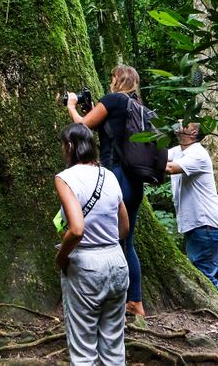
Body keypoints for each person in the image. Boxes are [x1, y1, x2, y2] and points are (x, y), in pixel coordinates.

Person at [65, 64, 146, 318]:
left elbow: (82, 127)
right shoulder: (136, 106)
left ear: (118, 80)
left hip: (116, 177)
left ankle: (107, 297)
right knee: (126, 240)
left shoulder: (113, 100)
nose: (110, 81)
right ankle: (135, 301)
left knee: (108, 239)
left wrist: (71, 105)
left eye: (112, 77)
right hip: (134, 180)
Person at [55, 123, 130, 366]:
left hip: (86, 265)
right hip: (116, 261)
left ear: (69, 146)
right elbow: (124, 227)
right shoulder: (107, 175)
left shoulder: (65, 178)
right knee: (113, 345)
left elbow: (77, 229)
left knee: (83, 348)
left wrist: (62, 257)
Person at [166, 121, 218, 296]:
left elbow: (169, 168)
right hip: (201, 225)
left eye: (184, 122)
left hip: (206, 225)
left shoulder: (198, 154)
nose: (178, 122)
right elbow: (158, 156)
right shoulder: (179, 151)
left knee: (204, 275)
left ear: (193, 132)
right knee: (215, 274)